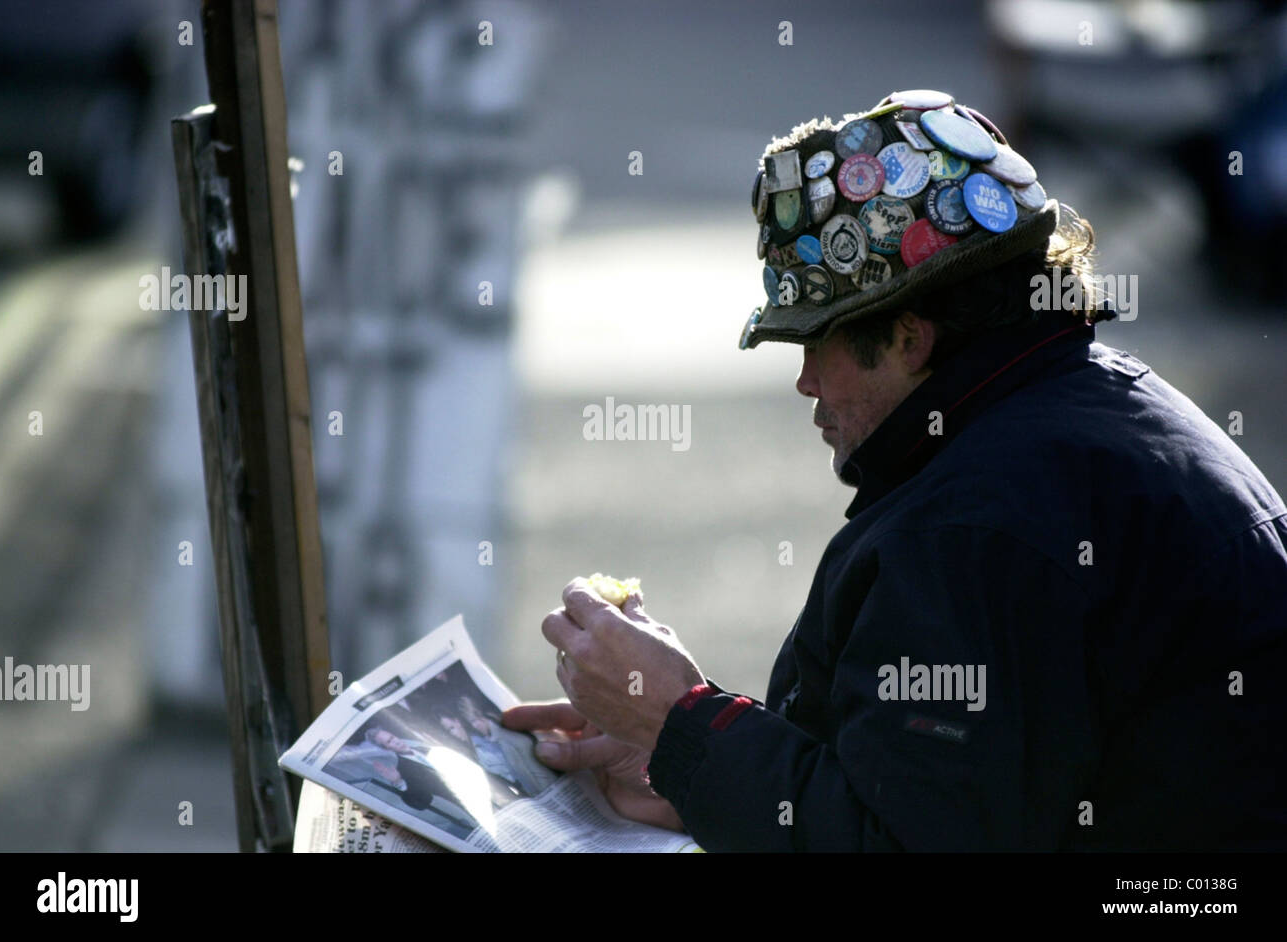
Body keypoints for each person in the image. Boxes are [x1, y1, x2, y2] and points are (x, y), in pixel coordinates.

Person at [503, 88, 1287, 851]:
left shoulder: (975, 531)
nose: (806, 381)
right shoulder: (1084, 406)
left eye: (818, 344)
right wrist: (686, 766)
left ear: (910, 339)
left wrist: (683, 719)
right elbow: (929, 789)